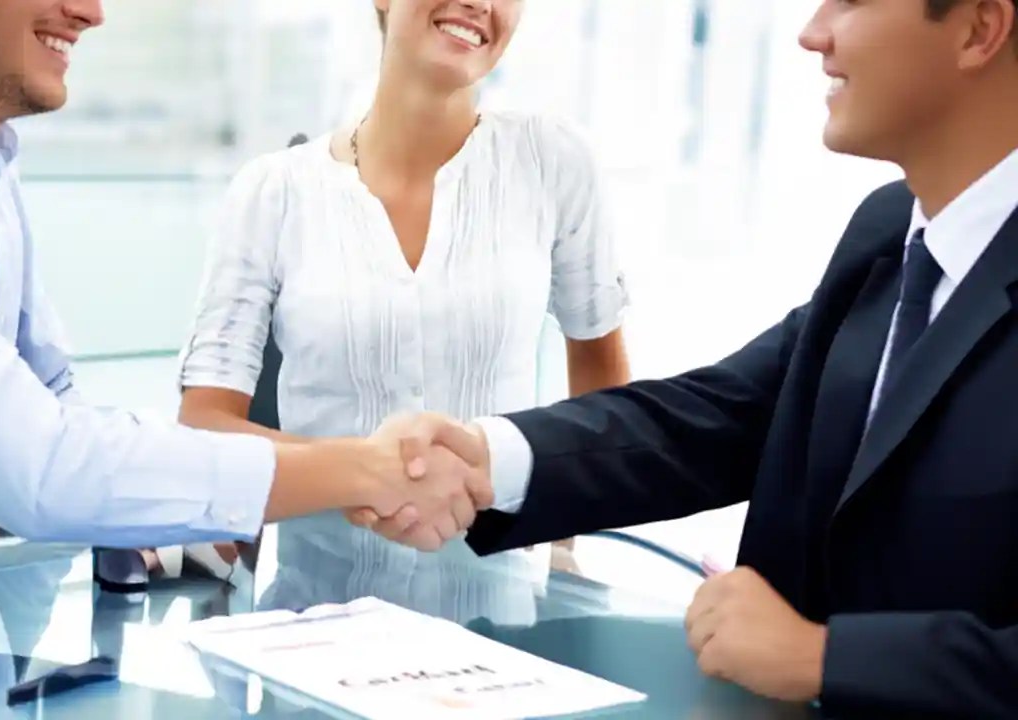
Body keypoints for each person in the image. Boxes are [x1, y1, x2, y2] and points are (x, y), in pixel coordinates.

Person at [359, 0, 1018, 715]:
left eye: (850, 1)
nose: (813, 32)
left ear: (980, 28)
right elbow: (721, 417)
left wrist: (823, 658)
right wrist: (488, 457)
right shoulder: (888, 233)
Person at [0, 0, 484, 574]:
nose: (92, 12)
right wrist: (364, 468)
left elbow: (50, 395)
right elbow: (42, 468)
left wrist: (162, 520)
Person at [175, 0, 630, 623]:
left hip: (499, 634)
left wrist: (566, 547)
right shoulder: (274, 191)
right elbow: (204, 424)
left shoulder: (552, 161)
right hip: (311, 629)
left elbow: (605, 393)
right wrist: (370, 473)